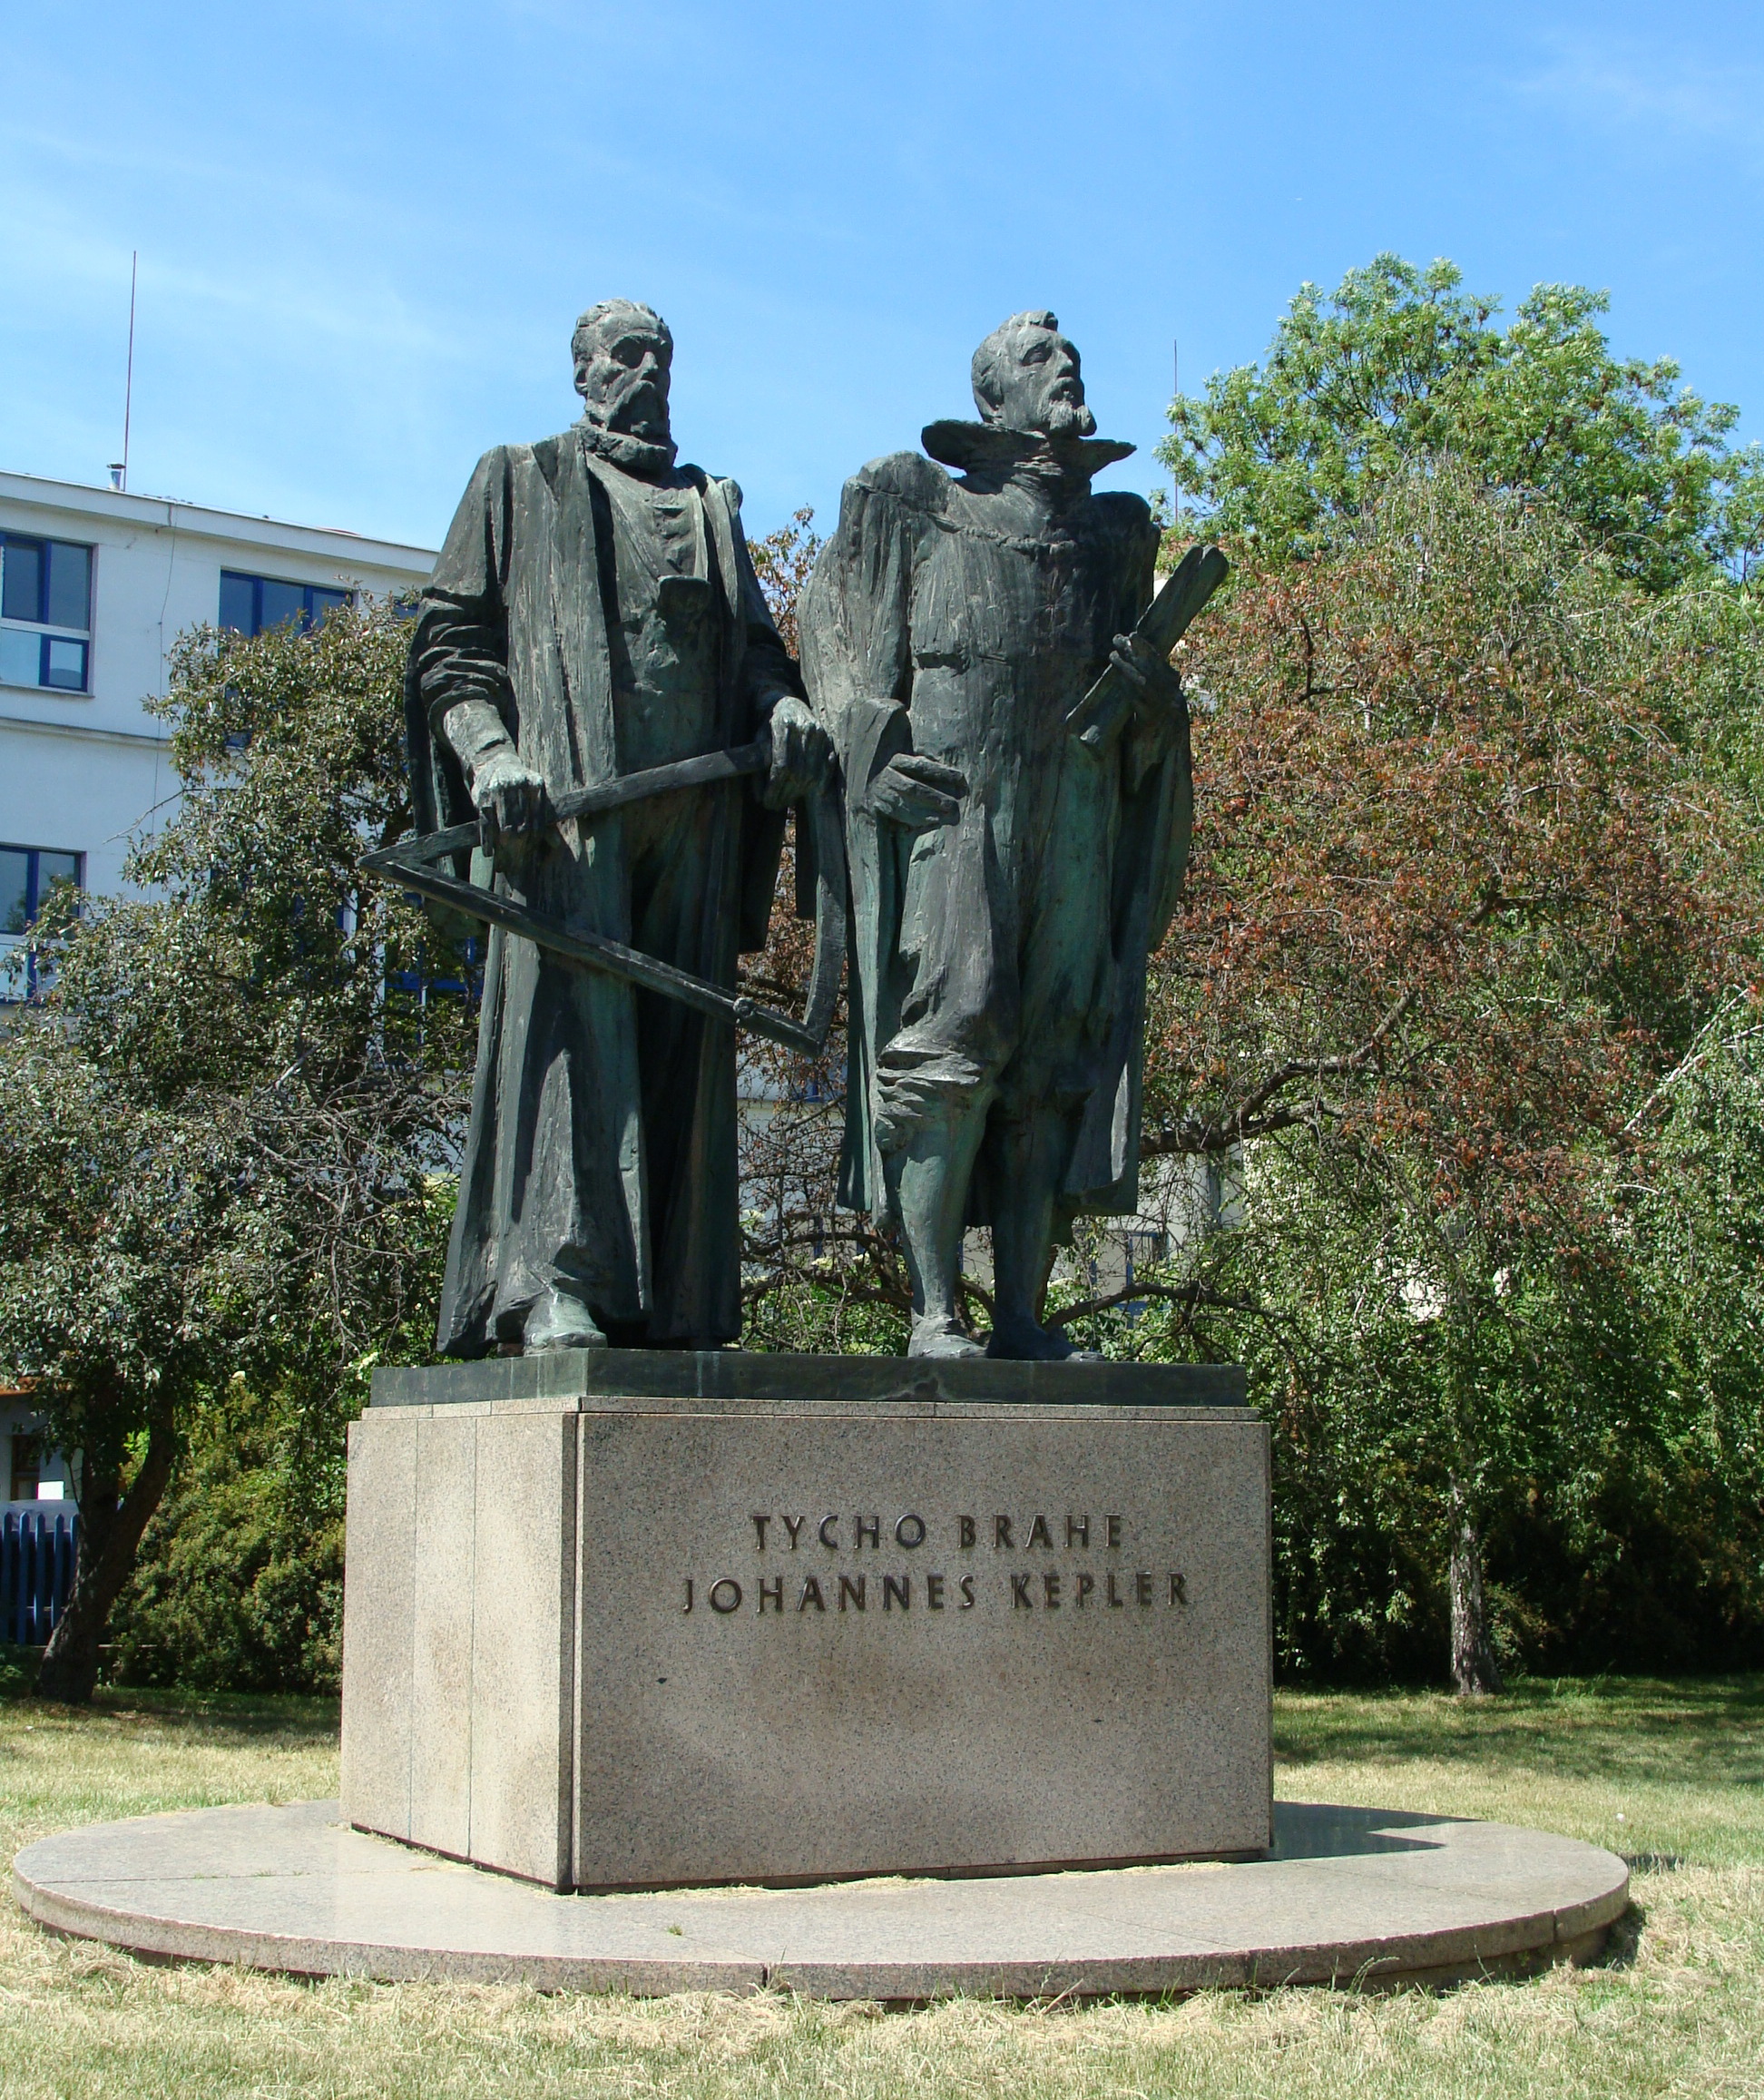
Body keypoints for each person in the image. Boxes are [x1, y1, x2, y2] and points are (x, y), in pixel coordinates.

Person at [409, 299, 828, 1354]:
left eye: (662, 356)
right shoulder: (521, 478)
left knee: (684, 1046)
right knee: (573, 1039)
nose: (648, 372)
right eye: (626, 355)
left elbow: (759, 657)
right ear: (584, 372)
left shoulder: (712, 504)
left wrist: (780, 710)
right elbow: (451, 645)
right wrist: (491, 755)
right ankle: (560, 1281)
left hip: (694, 808)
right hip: (567, 814)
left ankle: (679, 1300)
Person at [799, 310, 1191, 1359]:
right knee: (952, 1047)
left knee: (1056, 1055)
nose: (1062, 368)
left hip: (1075, 820)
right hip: (957, 821)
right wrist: (867, 742)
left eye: (1070, 357)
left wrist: (1158, 702)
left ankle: (1019, 1314)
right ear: (990, 400)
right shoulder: (909, 507)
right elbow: (832, 638)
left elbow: (1149, 716)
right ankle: (935, 1312)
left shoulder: (1116, 536)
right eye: (1036, 360)